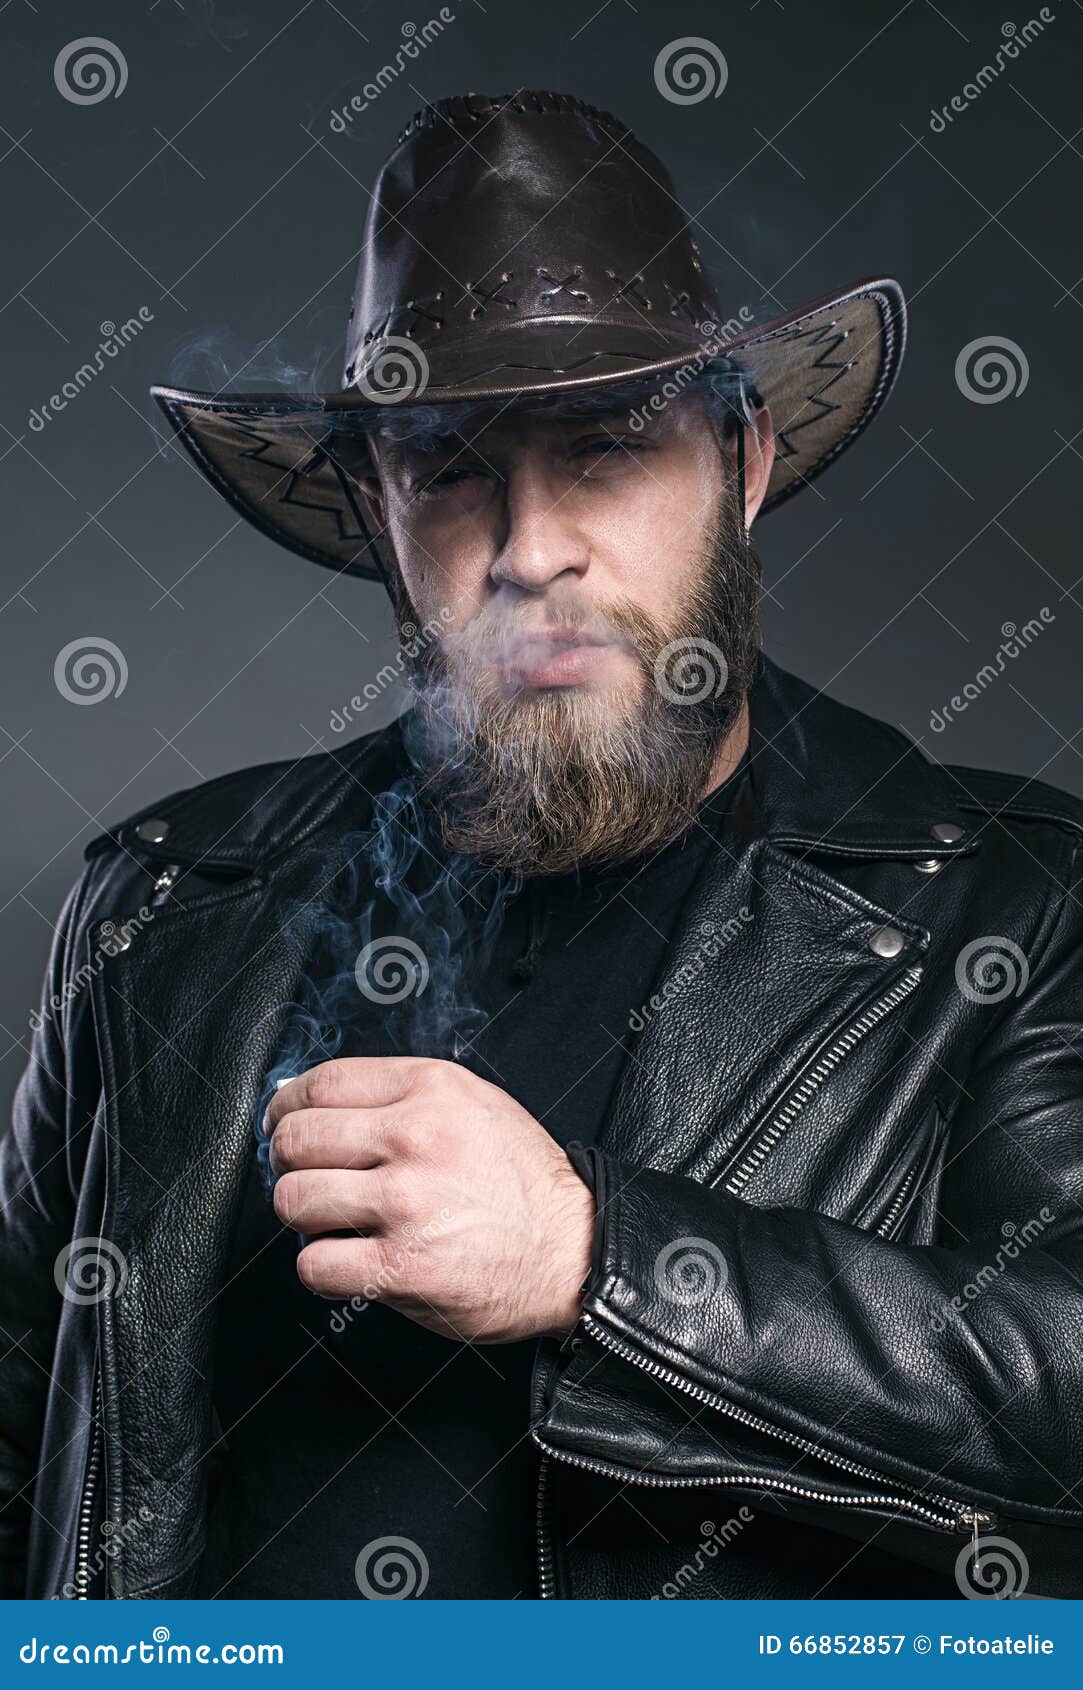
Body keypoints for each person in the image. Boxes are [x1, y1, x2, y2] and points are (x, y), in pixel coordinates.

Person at [3, 90, 1081, 1602]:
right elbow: (23, 1451)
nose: (528, 549)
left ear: (742, 464)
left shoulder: (1006, 902)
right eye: (451, 470)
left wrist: (596, 1259)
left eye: (605, 448)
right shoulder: (162, 908)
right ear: (381, 514)